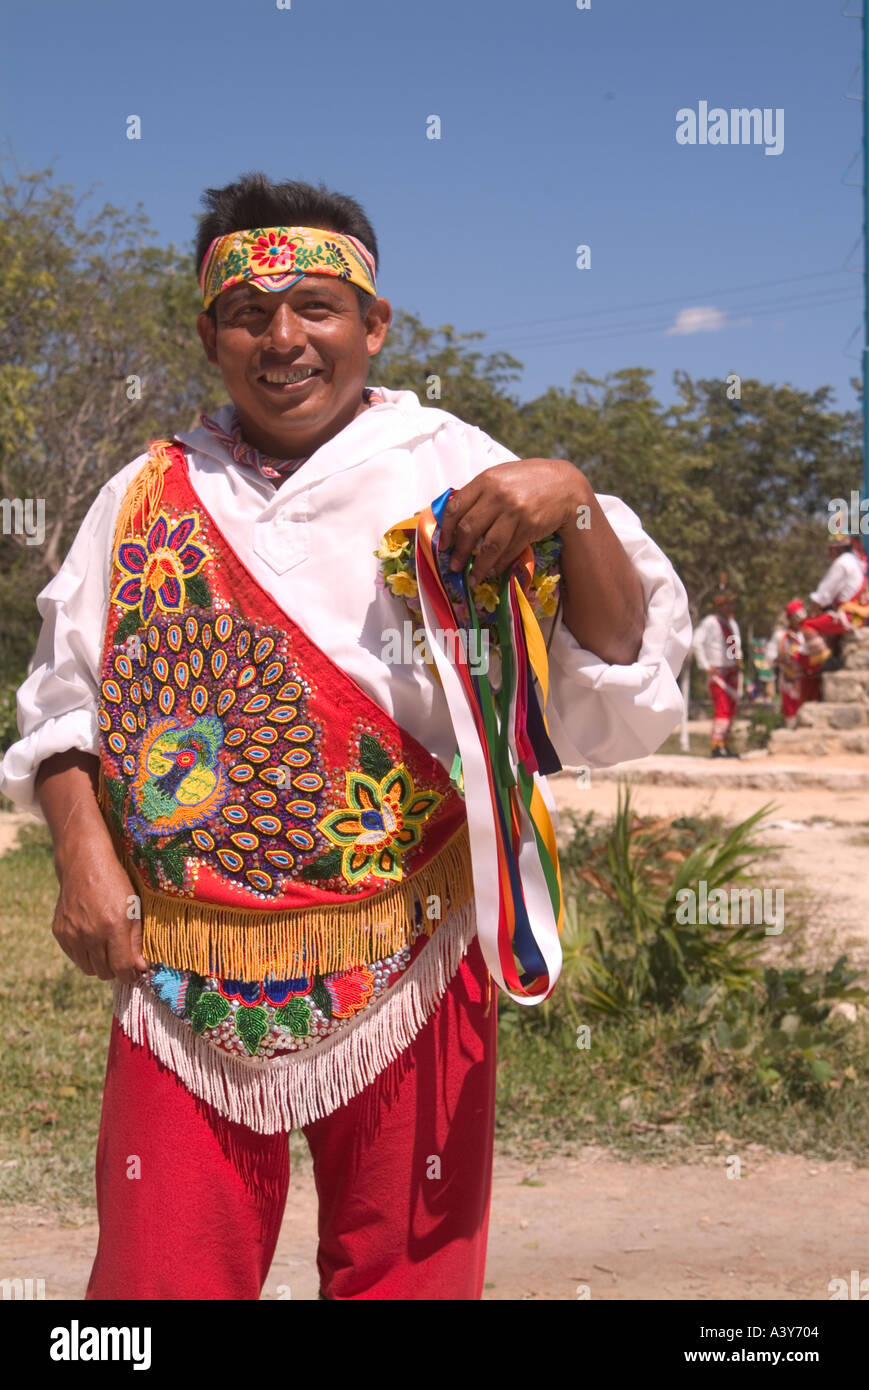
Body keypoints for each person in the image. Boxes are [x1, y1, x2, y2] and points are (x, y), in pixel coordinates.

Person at [0, 172, 692, 1302]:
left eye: (317, 305)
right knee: (153, 1285)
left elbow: (613, 667)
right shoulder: (140, 492)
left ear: (373, 324)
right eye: (249, 311)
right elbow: (63, 700)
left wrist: (571, 496)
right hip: (188, 969)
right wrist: (82, 852)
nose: (284, 337)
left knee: (407, 1280)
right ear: (207, 335)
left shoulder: (457, 465)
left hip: (414, 950)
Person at [692, 589, 742, 757]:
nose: (730, 608)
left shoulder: (732, 624)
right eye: (726, 604)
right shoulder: (711, 622)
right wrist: (706, 665)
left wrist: (737, 662)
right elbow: (697, 642)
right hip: (718, 673)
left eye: (732, 604)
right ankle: (717, 746)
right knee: (722, 708)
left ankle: (725, 744)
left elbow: (733, 647)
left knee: (731, 709)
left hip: (732, 672)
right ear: (719, 606)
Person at [777, 599, 830, 726]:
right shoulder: (782, 636)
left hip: (811, 678)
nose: (798, 621)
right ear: (789, 619)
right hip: (791, 681)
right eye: (794, 617)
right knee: (792, 715)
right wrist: (783, 658)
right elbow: (774, 656)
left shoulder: (811, 631)